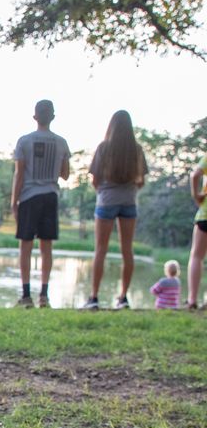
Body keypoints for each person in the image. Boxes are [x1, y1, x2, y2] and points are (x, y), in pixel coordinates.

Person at [81, 110, 148, 311]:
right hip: (129, 201)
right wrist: (129, 190)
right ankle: (123, 298)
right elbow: (141, 181)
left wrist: (104, 192)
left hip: (106, 201)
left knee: (100, 249)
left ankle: (94, 297)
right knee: (127, 250)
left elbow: (95, 179)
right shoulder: (137, 150)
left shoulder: (104, 148)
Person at [11, 99, 71, 308]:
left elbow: (19, 174)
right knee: (46, 247)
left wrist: (14, 201)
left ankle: (26, 295)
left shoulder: (24, 141)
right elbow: (65, 174)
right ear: (53, 117)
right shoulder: (61, 143)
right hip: (50, 196)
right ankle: (44, 296)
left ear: (35, 116)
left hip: (29, 196)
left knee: (25, 246)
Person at [185, 156, 207, 310]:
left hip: (205, 215)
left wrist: (196, 195)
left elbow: (195, 175)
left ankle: (192, 300)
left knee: (197, 256)